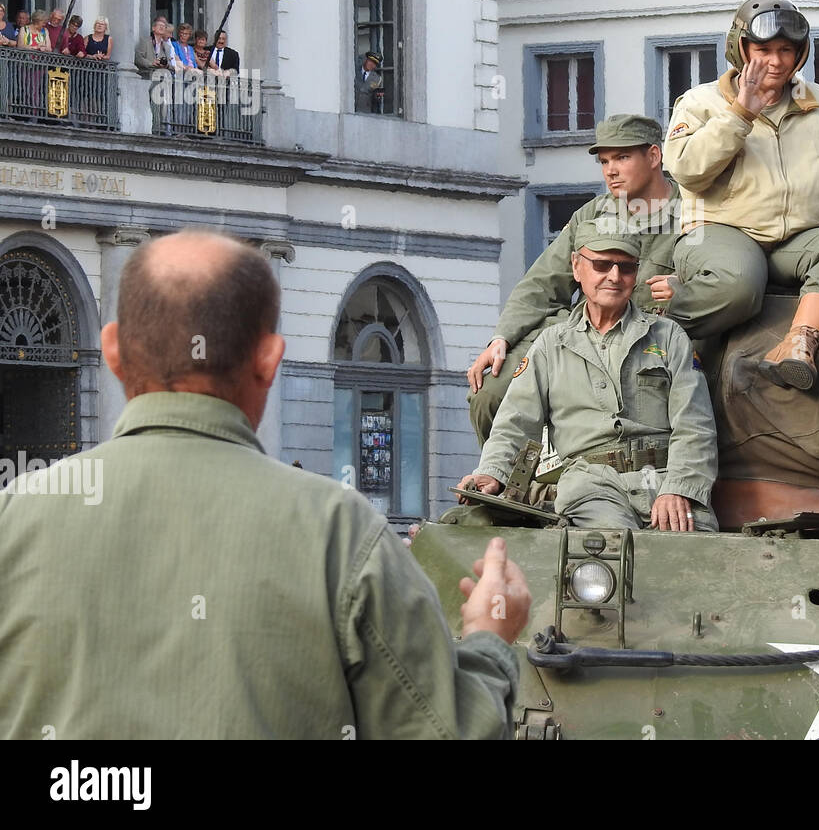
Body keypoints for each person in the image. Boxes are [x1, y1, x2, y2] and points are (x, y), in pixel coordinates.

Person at [0, 230, 530, 739]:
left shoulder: (12, 520)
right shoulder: (341, 534)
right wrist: (490, 638)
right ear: (269, 360)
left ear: (113, 351)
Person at [660, 0, 819, 390]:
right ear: (740, 48)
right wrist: (739, 114)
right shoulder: (701, 102)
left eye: (786, 50)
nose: (777, 61)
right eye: (764, 49)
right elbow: (687, 171)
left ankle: (798, 342)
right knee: (739, 285)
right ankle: (654, 332)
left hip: (802, 236)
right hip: (722, 230)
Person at [458, 221, 718, 531]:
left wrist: (679, 488)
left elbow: (696, 424)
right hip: (590, 487)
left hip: (663, 479)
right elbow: (515, 422)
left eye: (626, 267)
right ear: (577, 267)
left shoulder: (667, 336)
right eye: (602, 264)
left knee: (696, 558)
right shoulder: (551, 345)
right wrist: (492, 472)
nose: (614, 276)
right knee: (610, 552)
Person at [467, 113, 680, 445]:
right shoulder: (592, 214)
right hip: (579, 332)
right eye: (605, 160)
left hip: (650, 340)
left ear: (654, 156)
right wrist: (501, 339)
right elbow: (543, 282)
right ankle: (506, 485)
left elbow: (719, 280)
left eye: (622, 157)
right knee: (489, 391)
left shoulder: (692, 214)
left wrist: (684, 290)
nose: (611, 170)